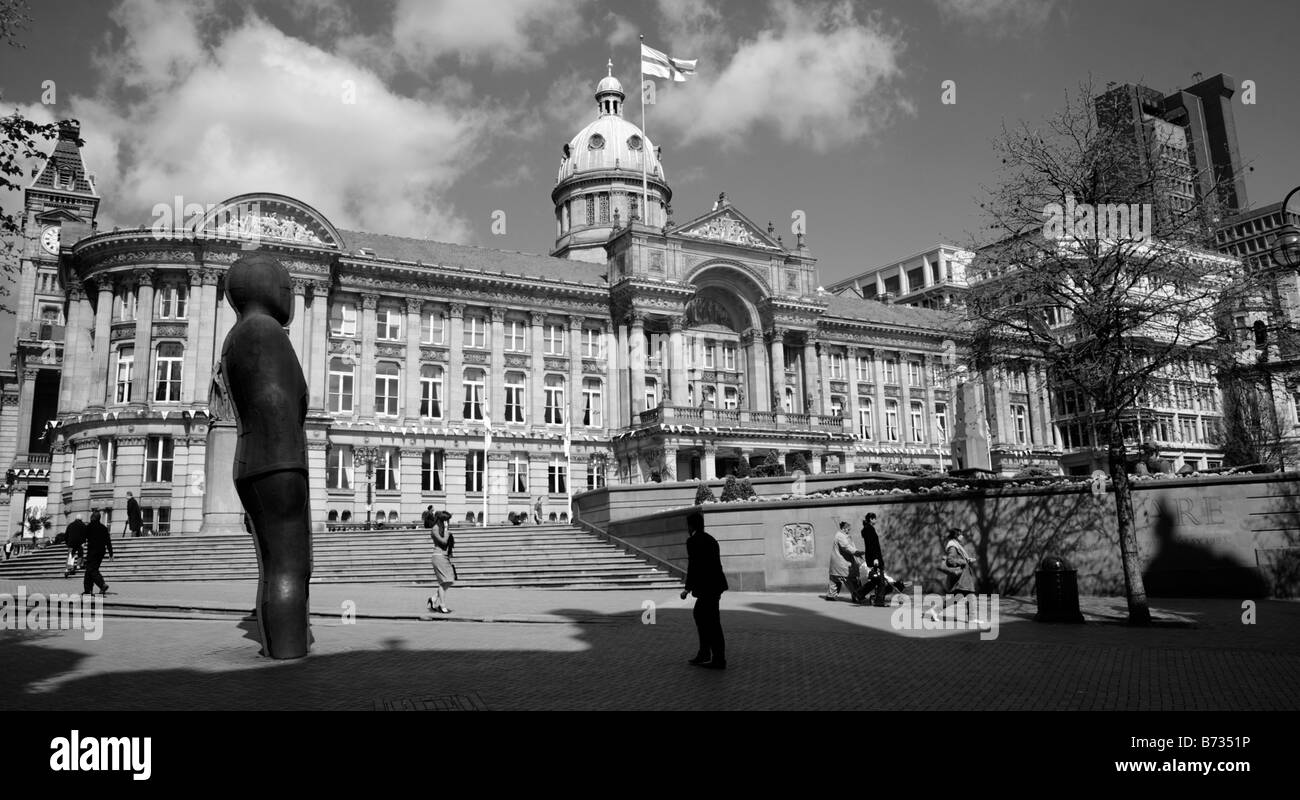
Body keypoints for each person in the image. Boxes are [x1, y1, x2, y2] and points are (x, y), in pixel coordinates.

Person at [220, 253, 312, 660]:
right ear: (264, 288)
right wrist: (290, 463)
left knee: (279, 563)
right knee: (290, 565)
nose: (291, 293)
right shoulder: (265, 331)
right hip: (278, 459)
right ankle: (289, 653)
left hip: (259, 457)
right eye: (287, 285)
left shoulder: (240, 334)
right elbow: (279, 401)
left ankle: (282, 644)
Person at [680, 510, 728, 669]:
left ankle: (715, 657)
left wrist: (687, 589)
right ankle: (707, 653)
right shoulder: (711, 539)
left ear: (691, 526)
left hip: (708, 586)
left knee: (708, 620)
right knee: (708, 618)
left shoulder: (692, 541)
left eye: (688, 525)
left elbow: (694, 566)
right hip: (716, 585)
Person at [852, 512, 908, 606]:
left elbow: (871, 545)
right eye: (875, 519)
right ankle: (879, 601)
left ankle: (858, 594)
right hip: (875, 559)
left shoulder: (867, 529)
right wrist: (875, 558)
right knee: (881, 581)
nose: (876, 520)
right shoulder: (869, 529)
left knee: (875, 581)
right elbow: (872, 545)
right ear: (871, 519)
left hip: (872, 558)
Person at [931, 528, 984, 625]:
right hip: (962, 578)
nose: (962, 536)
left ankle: (935, 611)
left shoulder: (957, 546)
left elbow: (957, 559)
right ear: (956, 536)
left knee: (958, 598)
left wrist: (968, 560)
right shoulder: (953, 547)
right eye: (960, 534)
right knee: (970, 596)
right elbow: (950, 560)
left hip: (964, 577)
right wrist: (964, 562)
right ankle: (972, 619)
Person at [426, 510, 455, 614]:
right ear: (443, 520)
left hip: (444, 556)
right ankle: (442, 606)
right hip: (438, 556)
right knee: (443, 582)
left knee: (450, 580)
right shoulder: (435, 528)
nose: (448, 522)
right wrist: (447, 531)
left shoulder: (442, 528)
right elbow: (443, 541)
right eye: (447, 520)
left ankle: (433, 599)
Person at [824, 520, 858, 601]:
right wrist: (856, 552)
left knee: (834, 580)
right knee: (849, 579)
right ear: (844, 528)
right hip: (842, 563)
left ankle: (831, 595)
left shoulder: (842, 535)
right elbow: (846, 547)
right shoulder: (841, 536)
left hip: (837, 563)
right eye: (848, 529)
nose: (849, 531)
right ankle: (857, 595)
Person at [82, 510, 113, 596]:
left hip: (92, 551)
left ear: (92, 517)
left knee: (92, 570)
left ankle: (102, 585)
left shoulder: (89, 526)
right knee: (89, 570)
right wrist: (111, 553)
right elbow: (108, 541)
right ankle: (88, 590)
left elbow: (83, 537)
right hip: (101, 552)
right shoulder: (103, 528)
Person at [64, 511, 87, 578]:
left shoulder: (70, 525)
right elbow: (85, 535)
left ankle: (68, 568)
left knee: (71, 555)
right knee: (80, 554)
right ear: (81, 519)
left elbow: (66, 535)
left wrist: (67, 543)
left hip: (71, 543)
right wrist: (84, 542)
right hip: (79, 543)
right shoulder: (83, 525)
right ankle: (78, 565)